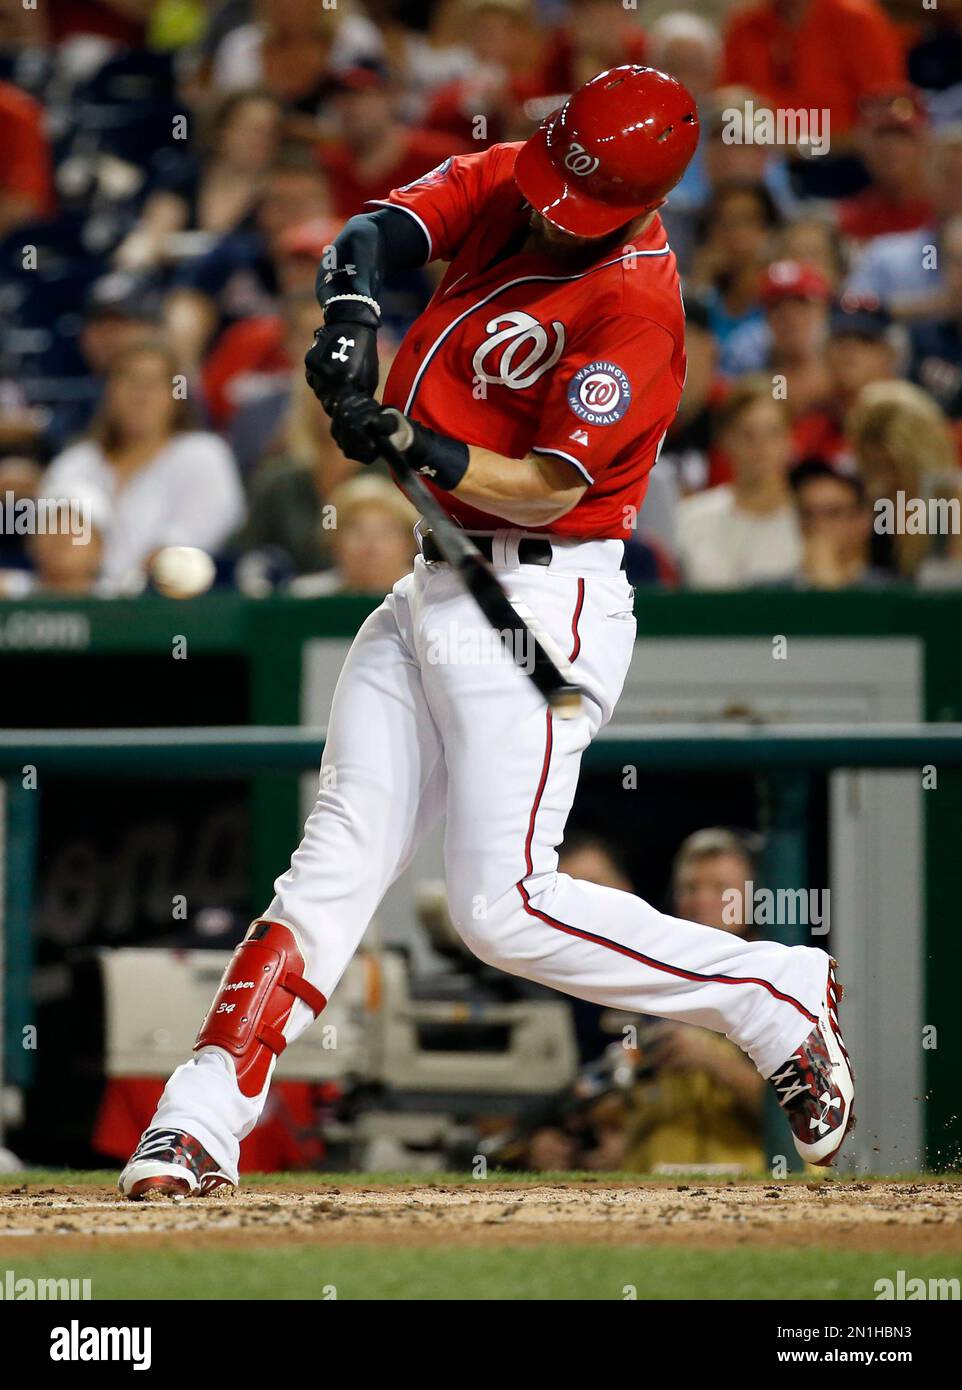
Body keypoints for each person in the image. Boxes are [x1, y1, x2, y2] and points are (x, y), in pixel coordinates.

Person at [119, 66, 854, 1201]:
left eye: (580, 196)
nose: (553, 205)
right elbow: (375, 228)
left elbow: (548, 489)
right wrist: (353, 317)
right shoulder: (527, 170)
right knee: (329, 868)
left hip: (532, 595)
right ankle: (198, 1120)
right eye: (555, 175)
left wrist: (416, 442)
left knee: (500, 905)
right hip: (430, 580)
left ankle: (770, 989)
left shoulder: (638, 305)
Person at [39, 341, 246, 593]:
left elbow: (184, 553)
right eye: (129, 381)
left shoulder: (203, 455)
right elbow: (51, 547)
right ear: (109, 392)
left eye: (154, 384)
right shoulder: (76, 461)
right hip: (79, 603)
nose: (141, 396)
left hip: (170, 609)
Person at [676, 376, 804, 587]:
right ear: (726, 440)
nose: (760, 446)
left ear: (789, 441)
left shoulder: (810, 519)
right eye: (747, 434)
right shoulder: (691, 518)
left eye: (773, 433)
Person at [288, 475, 418, 597]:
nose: (370, 546)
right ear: (335, 543)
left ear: (408, 543)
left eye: (385, 532)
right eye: (357, 532)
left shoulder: (425, 593)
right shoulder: (307, 596)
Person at [788, 457, 886, 589]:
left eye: (833, 513)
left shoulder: (891, 591)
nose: (818, 524)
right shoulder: (770, 593)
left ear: (863, 521)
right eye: (807, 514)